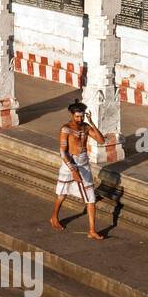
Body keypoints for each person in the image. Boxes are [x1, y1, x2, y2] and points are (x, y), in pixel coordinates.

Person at [50, 101, 106, 239]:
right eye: (77, 117)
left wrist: (92, 122)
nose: (80, 119)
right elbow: (63, 152)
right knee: (62, 194)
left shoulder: (86, 127)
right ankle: (54, 217)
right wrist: (73, 170)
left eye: (82, 117)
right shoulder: (66, 129)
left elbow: (101, 140)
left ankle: (92, 230)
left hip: (84, 163)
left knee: (91, 198)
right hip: (69, 164)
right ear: (72, 115)